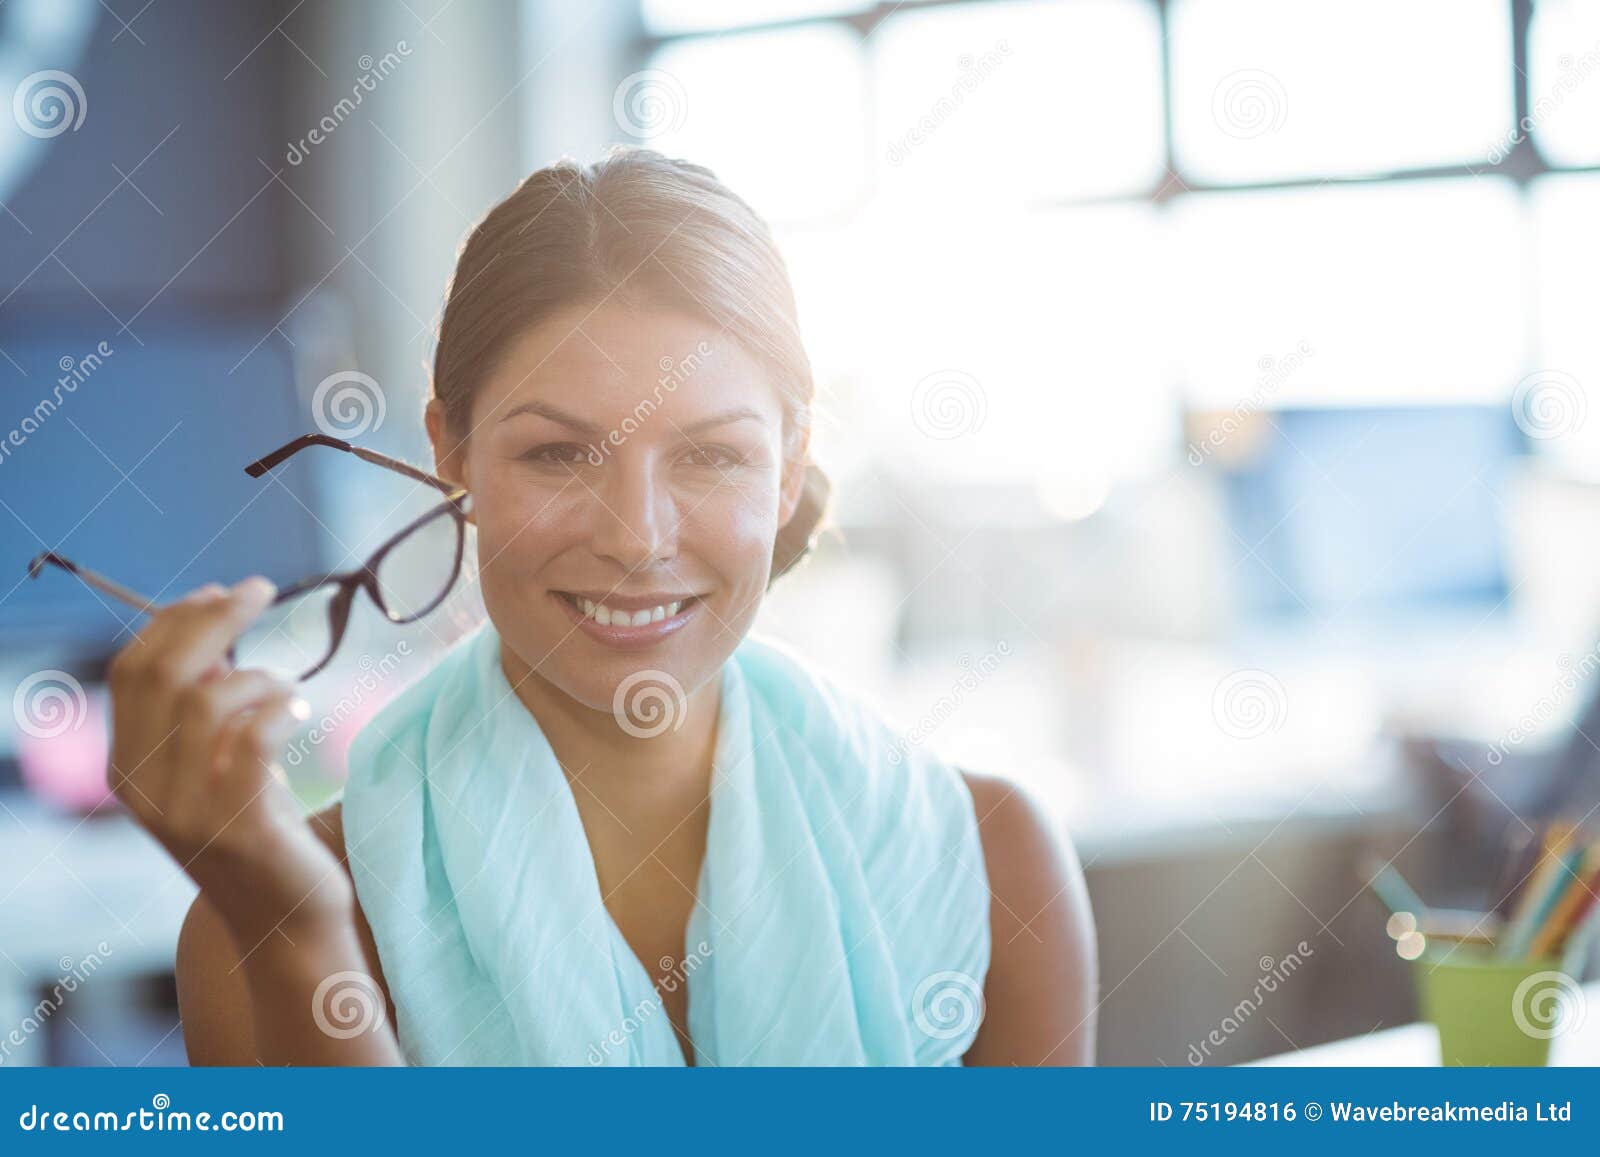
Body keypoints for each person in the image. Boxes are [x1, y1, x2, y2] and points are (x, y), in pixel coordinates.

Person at [105, 148, 1097, 1066]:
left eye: (710, 454)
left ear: (790, 470)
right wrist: (301, 937)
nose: (637, 537)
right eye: (559, 453)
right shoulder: (268, 921)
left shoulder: (991, 861)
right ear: (451, 455)